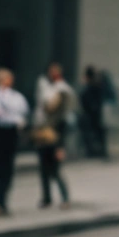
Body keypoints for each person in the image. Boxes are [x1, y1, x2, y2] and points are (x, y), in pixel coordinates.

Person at [0, 68, 29, 217]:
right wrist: (12, 117)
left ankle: (2, 201)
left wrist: (12, 117)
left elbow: (23, 110)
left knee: (8, 168)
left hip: (11, 133)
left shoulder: (15, 96)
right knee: (0, 168)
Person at [33, 66, 73, 207]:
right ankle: (46, 198)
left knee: (55, 171)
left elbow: (62, 128)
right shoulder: (43, 114)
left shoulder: (60, 117)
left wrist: (61, 147)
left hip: (55, 141)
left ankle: (65, 198)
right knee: (44, 171)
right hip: (43, 139)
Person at [78, 66, 112, 158]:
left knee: (96, 133)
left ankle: (98, 151)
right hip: (94, 113)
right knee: (96, 133)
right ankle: (97, 151)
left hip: (94, 113)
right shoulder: (93, 84)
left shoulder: (94, 84)